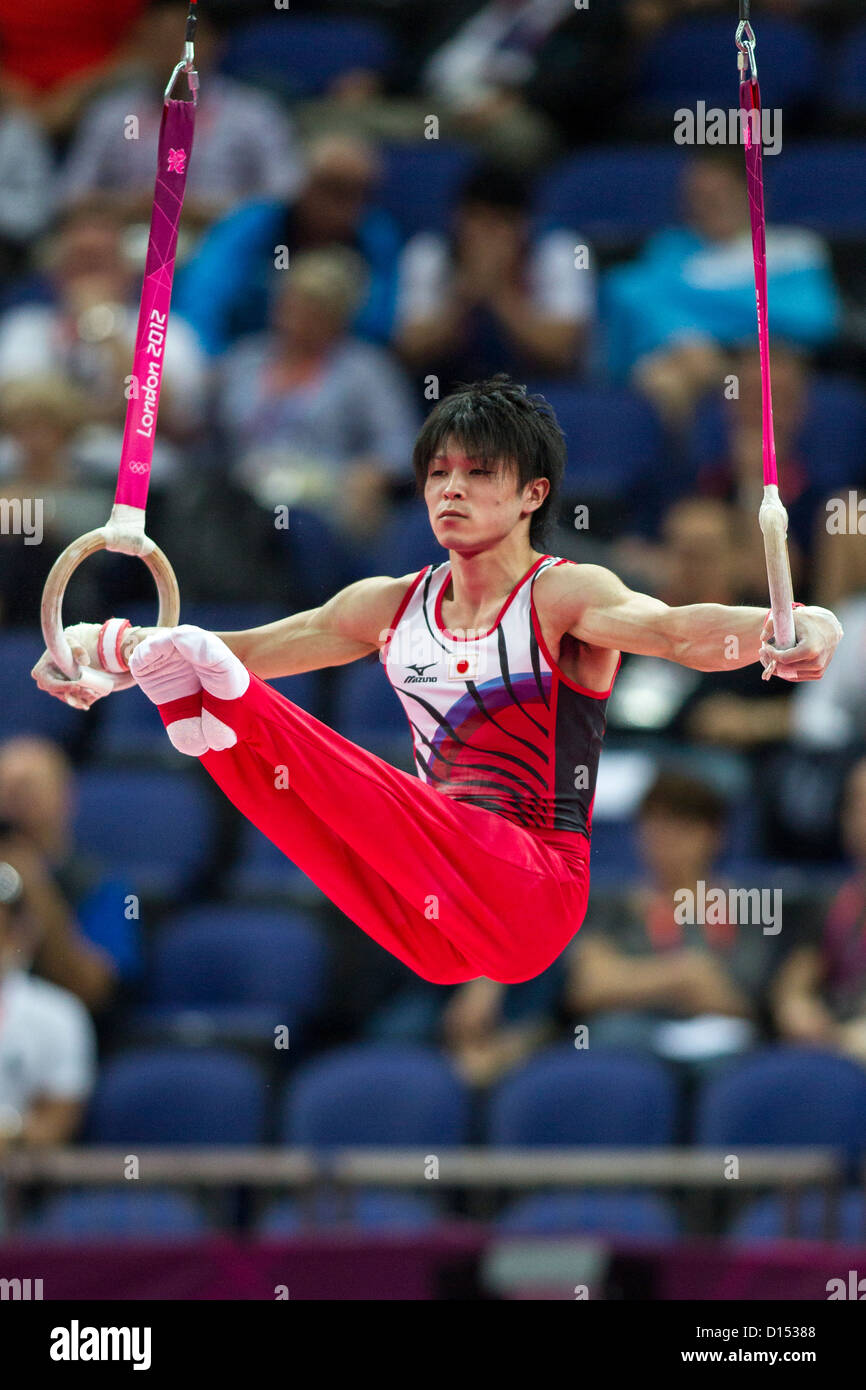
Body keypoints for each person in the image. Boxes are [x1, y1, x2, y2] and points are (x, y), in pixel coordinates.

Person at [33, 376, 843, 985]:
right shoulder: (387, 603)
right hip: (430, 919)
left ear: (534, 494)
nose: (450, 489)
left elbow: (674, 630)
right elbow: (236, 646)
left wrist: (802, 624)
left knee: (314, 752)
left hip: (530, 889)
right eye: (437, 474)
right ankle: (213, 727)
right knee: (282, 782)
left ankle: (228, 715)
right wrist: (106, 655)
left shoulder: (563, 595)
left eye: (478, 473)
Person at [770, 756, 866, 1063]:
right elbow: (796, 979)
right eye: (855, 804)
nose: (862, 817)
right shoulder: (832, 903)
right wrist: (796, 1006)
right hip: (839, 1052)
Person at [0, 859, 97, 1154]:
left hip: (17, 1180)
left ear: (17, 934)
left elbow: (57, 1120)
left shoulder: (57, 1015)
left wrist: (13, 1134)